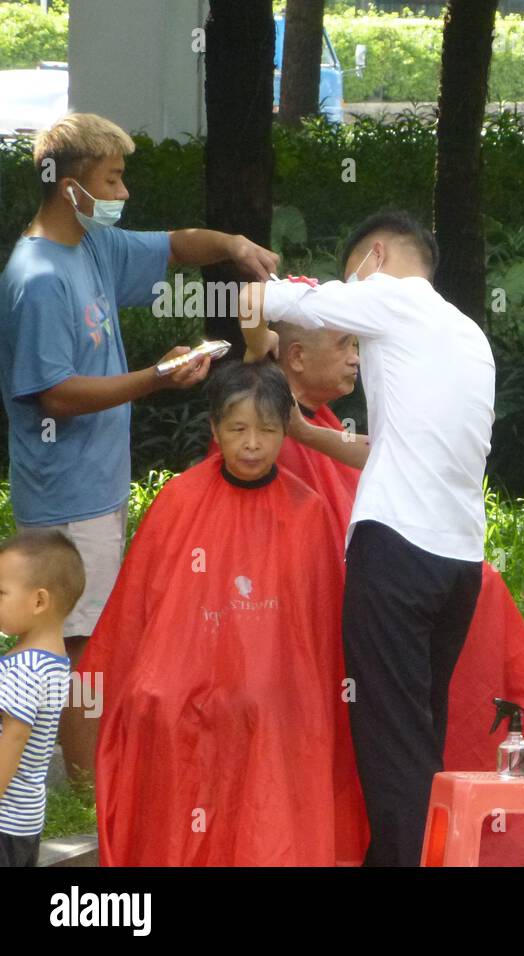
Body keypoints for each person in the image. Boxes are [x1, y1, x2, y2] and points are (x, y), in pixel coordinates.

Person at [0, 113, 278, 784]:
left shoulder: (89, 248)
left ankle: (61, 767)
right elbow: (54, 395)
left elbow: (177, 247)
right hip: (65, 488)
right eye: (112, 179)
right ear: (69, 188)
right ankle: (87, 781)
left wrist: (236, 245)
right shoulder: (40, 277)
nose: (123, 192)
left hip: (97, 481)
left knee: (80, 629)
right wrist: (154, 378)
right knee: (75, 637)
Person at [256, 322, 524, 791]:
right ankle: (494, 764)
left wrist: (304, 432)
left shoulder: (318, 425)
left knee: (481, 585)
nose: (356, 359)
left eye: (357, 345)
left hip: (389, 560)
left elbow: (377, 455)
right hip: (337, 581)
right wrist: (255, 339)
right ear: (297, 357)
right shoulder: (261, 429)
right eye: (346, 345)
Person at [239, 210, 495, 866]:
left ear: (375, 255)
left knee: (390, 749)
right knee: (420, 738)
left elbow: (261, 296)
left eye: (351, 272)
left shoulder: (387, 296)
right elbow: (397, 450)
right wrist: (307, 434)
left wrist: (256, 353)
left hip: (396, 558)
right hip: (459, 564)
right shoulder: (466, 335)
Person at [78, 362, 367, 865]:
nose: (251, 444)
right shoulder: (178, 501)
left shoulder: (307, 512)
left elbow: (315, 638)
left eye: (267, 430)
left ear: (288, 432)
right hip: (180, 672)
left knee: (262, 704)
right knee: (159, 703)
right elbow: (137, 614)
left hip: (275, 686)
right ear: (214, 429)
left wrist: (265, 680)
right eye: (237, 429)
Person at [0, 531, 82, 867]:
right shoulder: (56, 661)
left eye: (1, 593)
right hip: (25, 818)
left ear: (38, 602)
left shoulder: (24, 667)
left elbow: (14, 737)